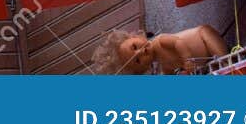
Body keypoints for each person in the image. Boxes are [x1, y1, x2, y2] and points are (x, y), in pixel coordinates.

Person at [92, 25, 229, 74]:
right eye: (138, 61)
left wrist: (186, 58)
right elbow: (169, 72)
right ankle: (224, 65)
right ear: (143, 70)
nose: (140, 52)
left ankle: (227, 62)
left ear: (135, 36)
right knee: (214, 70)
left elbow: (178, 42)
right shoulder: (164, 65)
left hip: (204, 36)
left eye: (134, 46)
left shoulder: (160, 41)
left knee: (223, 60)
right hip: (205, 61)